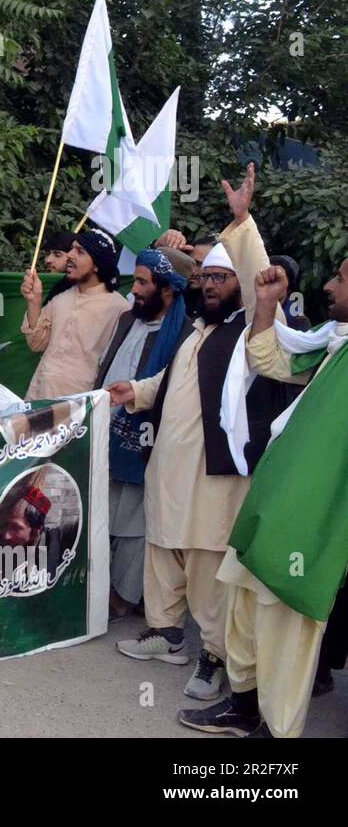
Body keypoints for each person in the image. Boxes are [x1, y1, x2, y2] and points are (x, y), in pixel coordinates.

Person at [106, 165, 297, 701]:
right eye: (205, 279)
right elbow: (170, 382)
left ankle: (214, 657)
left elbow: (265, 288)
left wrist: (242, 220)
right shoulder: (196, 331)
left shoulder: (250, 331)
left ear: (238, 286)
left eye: (220, 278)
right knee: (163, 547)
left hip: (215, 472)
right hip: (169, 464)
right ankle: (166, 635)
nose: (210, 285)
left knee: (209, 562)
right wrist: (137, 393)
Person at [178, 258, 348, 738]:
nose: (329, 285)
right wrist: (269, 304)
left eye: (340, 278)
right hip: (271, 503)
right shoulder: (334, 342)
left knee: (286, 635)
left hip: (311, 519)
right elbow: (269, 360)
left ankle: (277, 731)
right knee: (245, 612)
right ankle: (244, 708)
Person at [92, 248, 191, 619]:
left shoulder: (184, 335)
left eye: (142, 282)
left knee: (135, 519)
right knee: (104, 508)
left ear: (167, 290)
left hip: (146, 436)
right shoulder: (127, 319)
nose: (134, 289)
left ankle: (125, 596)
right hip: (108, 426)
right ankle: (97, 586)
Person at [20, 227, 128, 399]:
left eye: (80, 251)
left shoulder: (120, 309)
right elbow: (36, 344)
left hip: (80, 407)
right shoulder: (61, 298)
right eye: (72, 249)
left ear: (97, 265)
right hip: (38, 397)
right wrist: (34, 301)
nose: (70, 255)